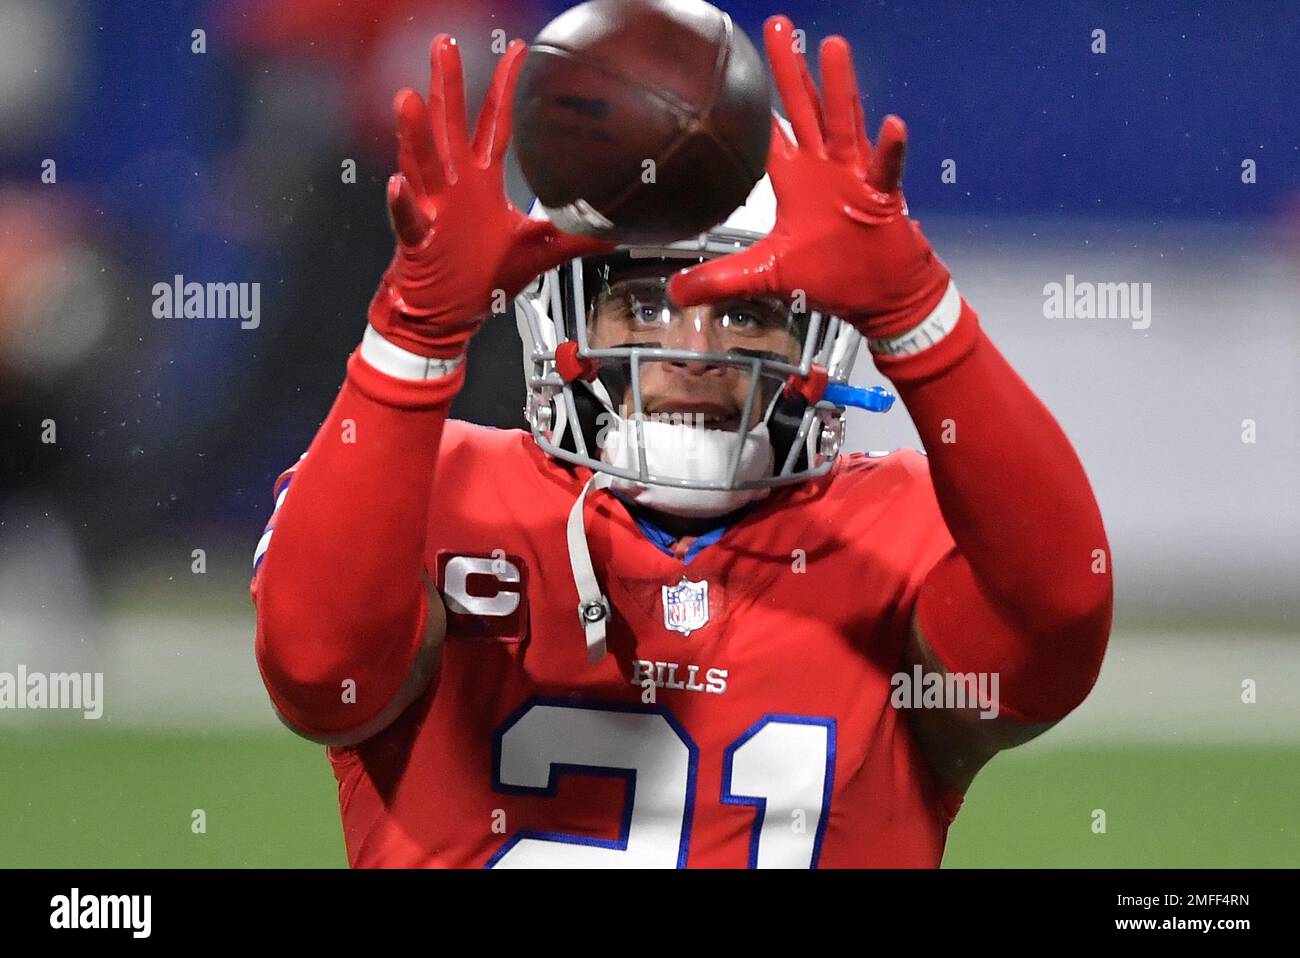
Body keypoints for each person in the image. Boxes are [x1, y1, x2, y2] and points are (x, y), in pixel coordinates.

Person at [251, 16, 1112, 867]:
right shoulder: (442, 492)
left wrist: (921, 313)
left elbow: (1059, 621)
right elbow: (322, 672)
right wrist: (414, 335)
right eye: (646, 305)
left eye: (745, 313)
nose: (692, 355)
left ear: (822, 335)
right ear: (563, 320)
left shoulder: (891, 532)